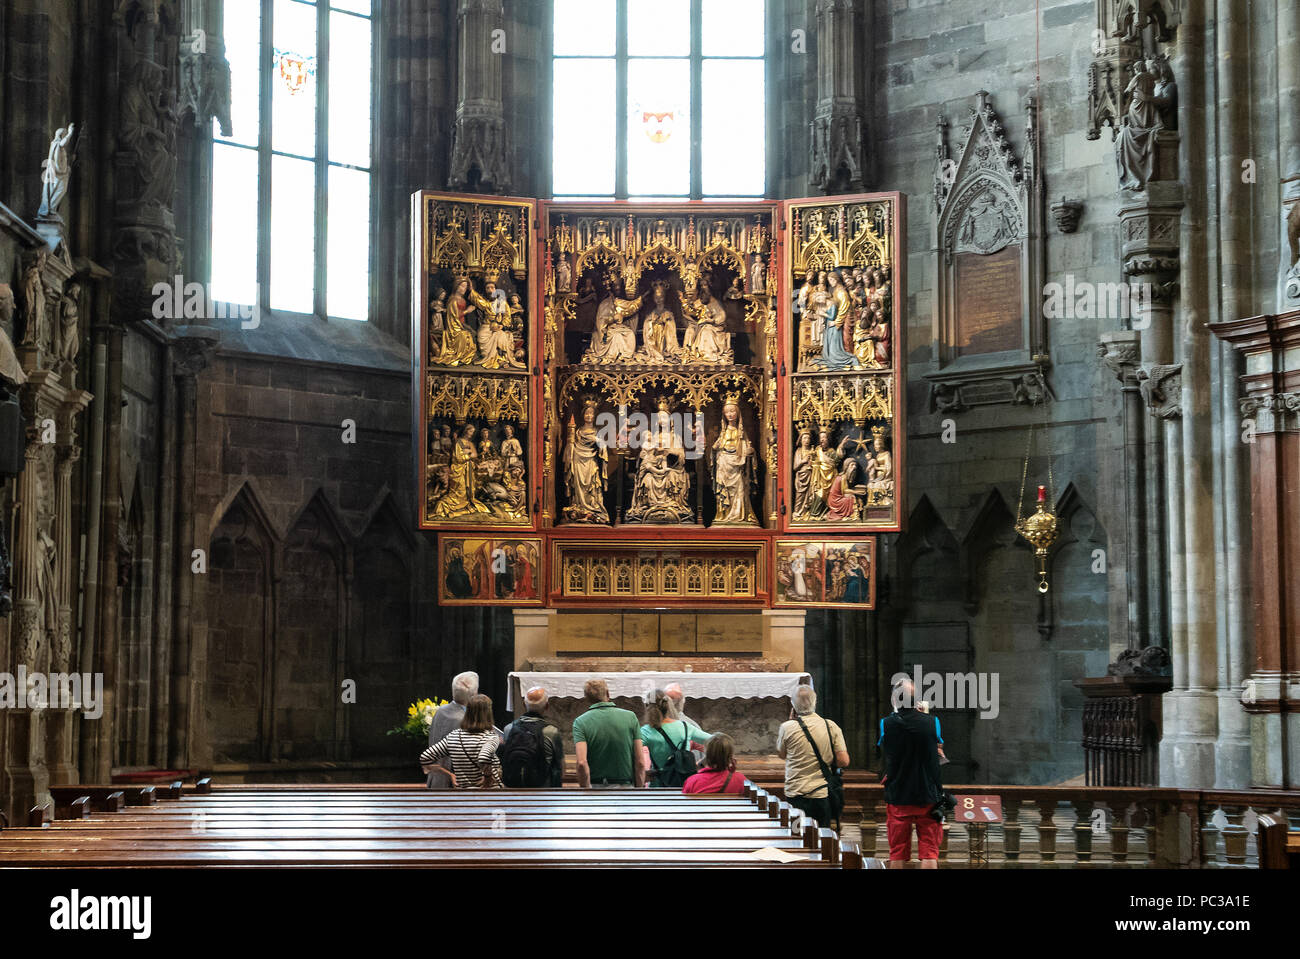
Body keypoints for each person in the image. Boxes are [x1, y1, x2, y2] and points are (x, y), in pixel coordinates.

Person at [878, 674, 945, 869]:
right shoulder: (933, 722)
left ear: (894, 700)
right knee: (929, 851)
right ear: (917, 700)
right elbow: (938, 747)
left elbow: (888, 748)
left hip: (899, 791)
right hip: (928, 791)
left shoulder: (886, 724)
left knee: (897, 851)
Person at [776, 684, 850, 829]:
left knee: (797, 834)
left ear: (793, 705)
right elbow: (844, 761)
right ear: (815, 702)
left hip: (795, 793)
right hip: (820, 792)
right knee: (821, 835)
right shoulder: (830, 726)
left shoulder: (786, 727)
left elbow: (782, 754)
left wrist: (791, 721)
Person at [418, 693, 503, 789]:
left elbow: (425, 757)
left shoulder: (453, 736)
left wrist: (450, 775)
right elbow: (483, 758)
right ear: (488, 714)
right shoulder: (490, 737)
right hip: (489, 796)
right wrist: (487, 778)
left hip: (463, 795)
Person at [572, 679, 645, 788]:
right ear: (608, 693)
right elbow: (640, 762)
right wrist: (639, 789)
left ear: (586, 698)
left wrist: (586, 790)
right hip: (625, 786)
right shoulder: (631, 717)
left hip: (596, 787)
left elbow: (582, 762)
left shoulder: (580, 722)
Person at [640, 689, 712, 787]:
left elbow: (629, 752)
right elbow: (717, 741)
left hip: (659, 787)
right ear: (668, 705)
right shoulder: (685, 726)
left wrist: (642, 774)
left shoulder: (646, 731)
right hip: (685, 785)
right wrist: (701, 764)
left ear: (647, 708)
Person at [500, 686, 565, 787]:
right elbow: (560, 766)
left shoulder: (509, 729)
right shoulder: (551, 732)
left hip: (513, 789)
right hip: (542, 790)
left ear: (524, 704)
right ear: (547, 706)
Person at [425, 670, 478, 789]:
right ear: (473, 696)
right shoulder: (463, 720)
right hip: (453, 783)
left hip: (436, 779)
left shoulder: (441, 711)